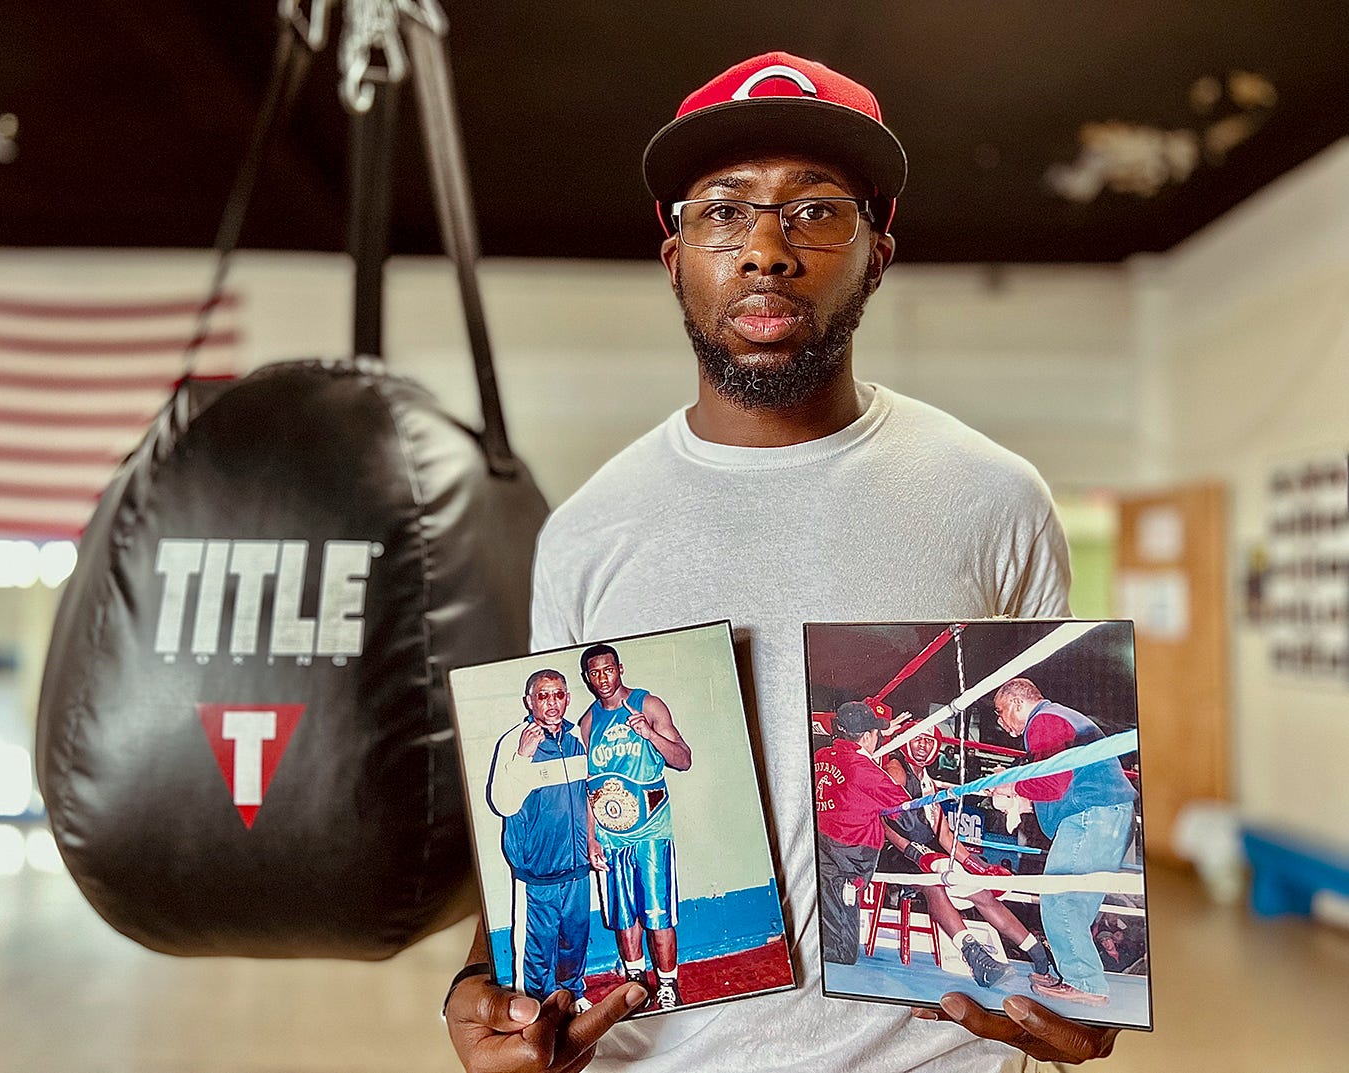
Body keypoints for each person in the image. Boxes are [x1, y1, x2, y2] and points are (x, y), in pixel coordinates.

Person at [445, 50, 1119, 1070]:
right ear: (674, 256)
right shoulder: (588, 531)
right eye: (723, 211)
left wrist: (1093, 979)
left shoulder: (994, 500)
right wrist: (476, 981)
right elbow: (553, 795)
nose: (765, 249)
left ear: (877, 254)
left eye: (814, 211)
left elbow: (1049, 774)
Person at [992, 677, 1138, 1007]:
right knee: (1077, 901)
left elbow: (1052, 785)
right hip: (1108, 814)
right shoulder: (1059, 718)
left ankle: (1084, 982)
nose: (1000, 722)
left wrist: (1011, 784)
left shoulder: (1044, 721)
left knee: (1060, 897)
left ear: (1017, 703)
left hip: (1093, 815)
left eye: (1001, 712)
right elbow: (1061, 787)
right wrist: (1018, 801)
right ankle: (1074, 975)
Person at [880, 729, 1055, 988]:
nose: (923, 745)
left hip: (926, 851)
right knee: (934, 883)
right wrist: (915, 852)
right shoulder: (896, 769)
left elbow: (945, 835)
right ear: (906, 741)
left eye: (929, 741)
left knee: (981, 890)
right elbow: (884, 819)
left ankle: (1037, 953)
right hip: (896, 851)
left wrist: (976, 865)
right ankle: (975, 958)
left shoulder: (927, 782)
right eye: (917, 739)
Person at [578, 643, 692, 1011]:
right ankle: (636, 984)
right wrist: (591, 838)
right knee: (624, 918)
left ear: (620, 668)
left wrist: (650, 735)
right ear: (587, 678)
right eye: (595, 673)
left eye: (608, 669)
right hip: (610, 837)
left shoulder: (648, 705)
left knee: (658, 913)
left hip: (651, 831)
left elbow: (684, 760)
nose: (602, 678)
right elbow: (588, 787)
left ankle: (669, 985)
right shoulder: (588, 723)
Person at [487, 669, 604, 1010]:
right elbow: (503, 803)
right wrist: (523, 757)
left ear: (567, 699)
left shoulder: (578, 739)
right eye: (543, 696)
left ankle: (572, 994)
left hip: (577, 866)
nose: (552, 703)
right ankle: (535, 1007)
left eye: (558, 695)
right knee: (537, 946)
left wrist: (592, 841)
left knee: (574, 938)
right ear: (530, 701)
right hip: (537, 870)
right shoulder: (514, 741)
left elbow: (588, 795)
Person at [813, 701, 909, 965]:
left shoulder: (822, 755)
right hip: (851, 855)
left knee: (828, 904)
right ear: (867, 736)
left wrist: (879, 734)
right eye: (875, 734)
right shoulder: (864, 769)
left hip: (822, 844)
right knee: (843, 951)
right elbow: (904, 809)